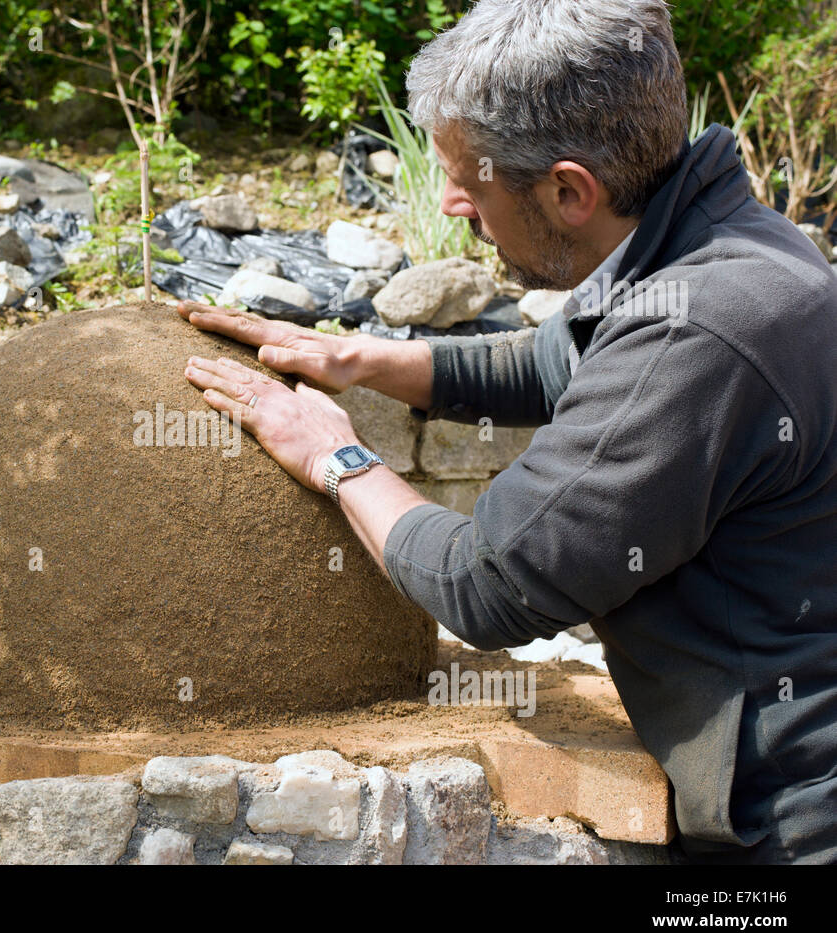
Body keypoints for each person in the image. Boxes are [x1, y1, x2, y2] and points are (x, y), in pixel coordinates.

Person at [179, 0, 837, 863]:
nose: (451, 201)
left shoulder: (696, 335)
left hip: (790, 837)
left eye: (470, 179)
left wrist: (332, 454)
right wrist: (368, 359)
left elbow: (485, 583)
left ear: (569, 190)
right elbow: (562, 360)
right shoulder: (719, 248)